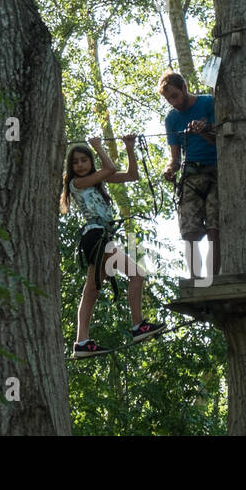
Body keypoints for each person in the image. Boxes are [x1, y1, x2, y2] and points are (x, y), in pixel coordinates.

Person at [61, 136, 166, 358]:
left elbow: (131, 175)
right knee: (136, 275)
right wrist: (98, 147)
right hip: (96, 237)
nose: (80, 165)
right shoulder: (76, 184)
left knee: (91, 291)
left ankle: (81, 341)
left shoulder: (97, 181)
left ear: (90, 162)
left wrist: (129, 148)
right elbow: (110, 167)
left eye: (84, 160)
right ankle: (138, 326)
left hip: (100, 238)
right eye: (75, 162)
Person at [158, 71, 219, 279]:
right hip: (191, 174)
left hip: (216, 172)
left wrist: (203, 131)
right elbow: (175, 158)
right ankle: (196, 279)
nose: (172, 102)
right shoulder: (172, 119)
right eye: (168, 99)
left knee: (214, 227)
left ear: (184, 88)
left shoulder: (208, 103)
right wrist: (169, 169)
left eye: (174, 96)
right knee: (189, 230)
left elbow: (219, 141)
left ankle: (214, 277)